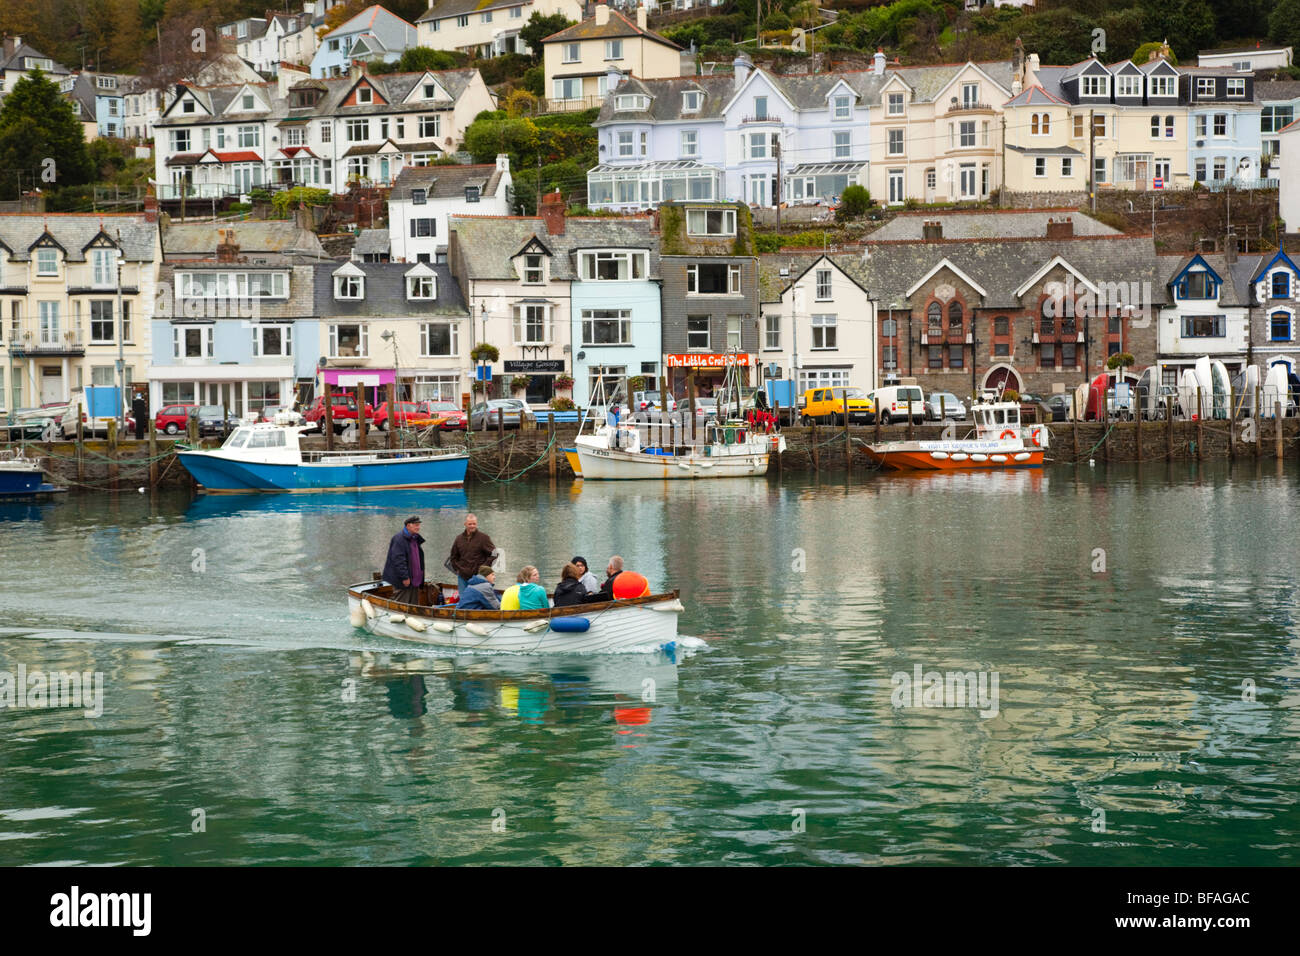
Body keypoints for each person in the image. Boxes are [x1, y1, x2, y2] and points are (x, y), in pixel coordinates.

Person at [382, 517, 425, 606]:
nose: (418, 527)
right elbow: (398, 560)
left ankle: (410, 617)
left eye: (419, 525)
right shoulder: (399, 539)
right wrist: (404, 577)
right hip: (404, 579)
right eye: (416, 525)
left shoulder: (415, 538)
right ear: (408, 526)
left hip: (415, 579)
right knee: (401, 604)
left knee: (413, 605)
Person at [448, 513, 496, 592]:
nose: (472, 526)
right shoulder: (459, 539)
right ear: (465, 524)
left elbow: (494, 554)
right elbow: (453, 556)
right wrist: (458, 569)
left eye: (474, 524)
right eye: (470, 524)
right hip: (462, 576)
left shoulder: (484, 538)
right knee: (463, 600)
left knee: (477, 599)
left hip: (478, 576)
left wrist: (483, 567)